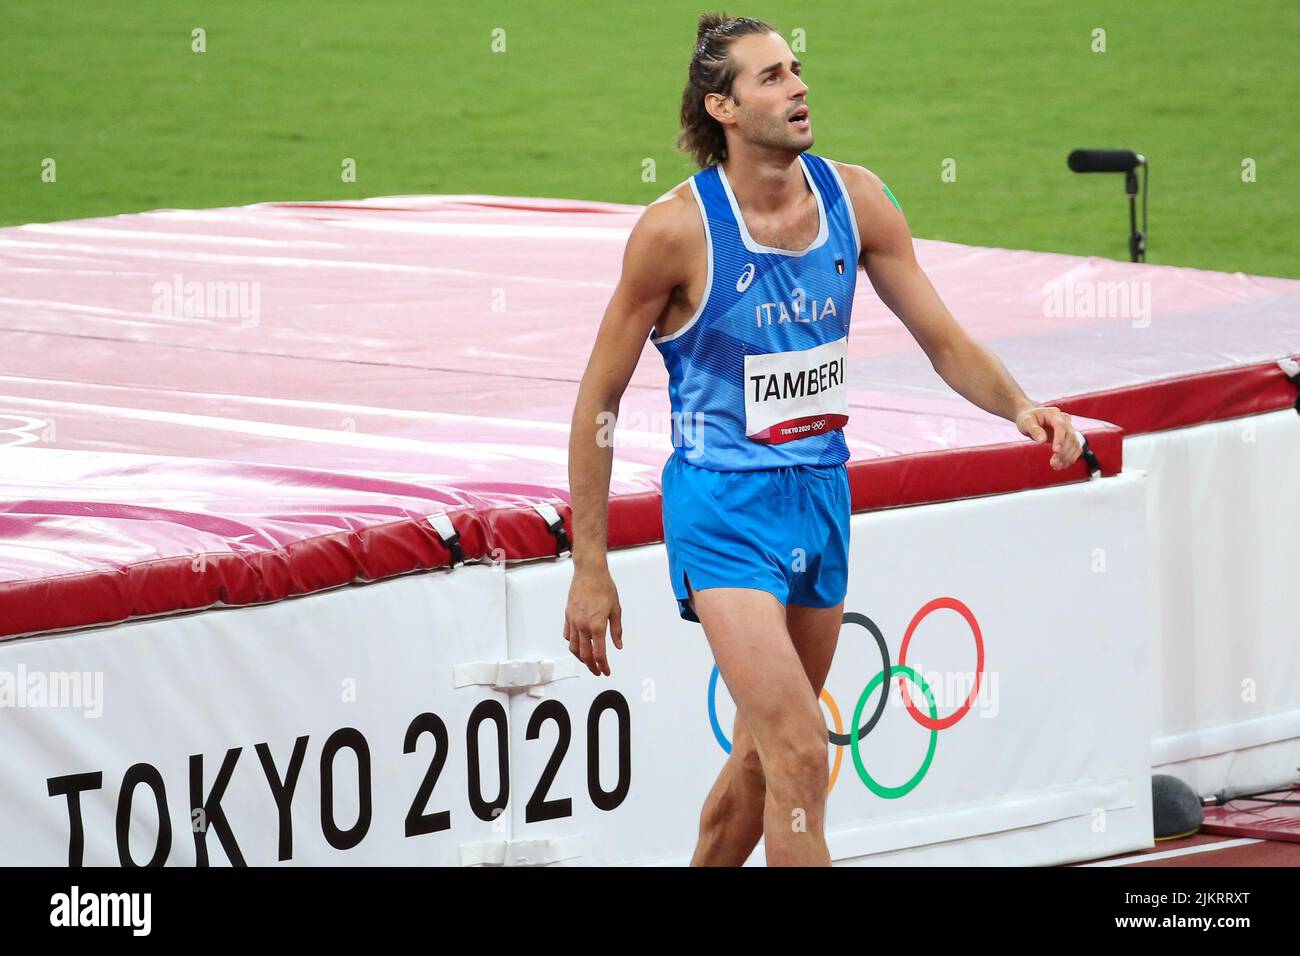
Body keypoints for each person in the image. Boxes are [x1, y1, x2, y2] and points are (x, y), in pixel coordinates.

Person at [563, 13, 1083, 867]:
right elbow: (599, 399)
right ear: (721, 107)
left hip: (819, 497)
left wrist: (1022, 408)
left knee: (762, 766)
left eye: (796, 69)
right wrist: (590, 564)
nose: (798, 86)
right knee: (802, 750)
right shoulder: (676, 233)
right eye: (771, 77)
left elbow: (945, 341)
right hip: (722, 507)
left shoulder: (857, 200)